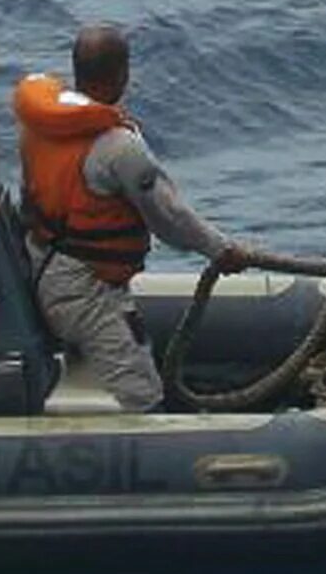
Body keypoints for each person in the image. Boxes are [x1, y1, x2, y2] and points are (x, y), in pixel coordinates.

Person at [14, 24, 257, 413]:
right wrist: (221, 250)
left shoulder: (37, 128)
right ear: (122, 75)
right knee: (143, 395)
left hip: (43, 266)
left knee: (135, 348)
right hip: (85, 293)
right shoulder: (118, 149)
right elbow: (169, 218)